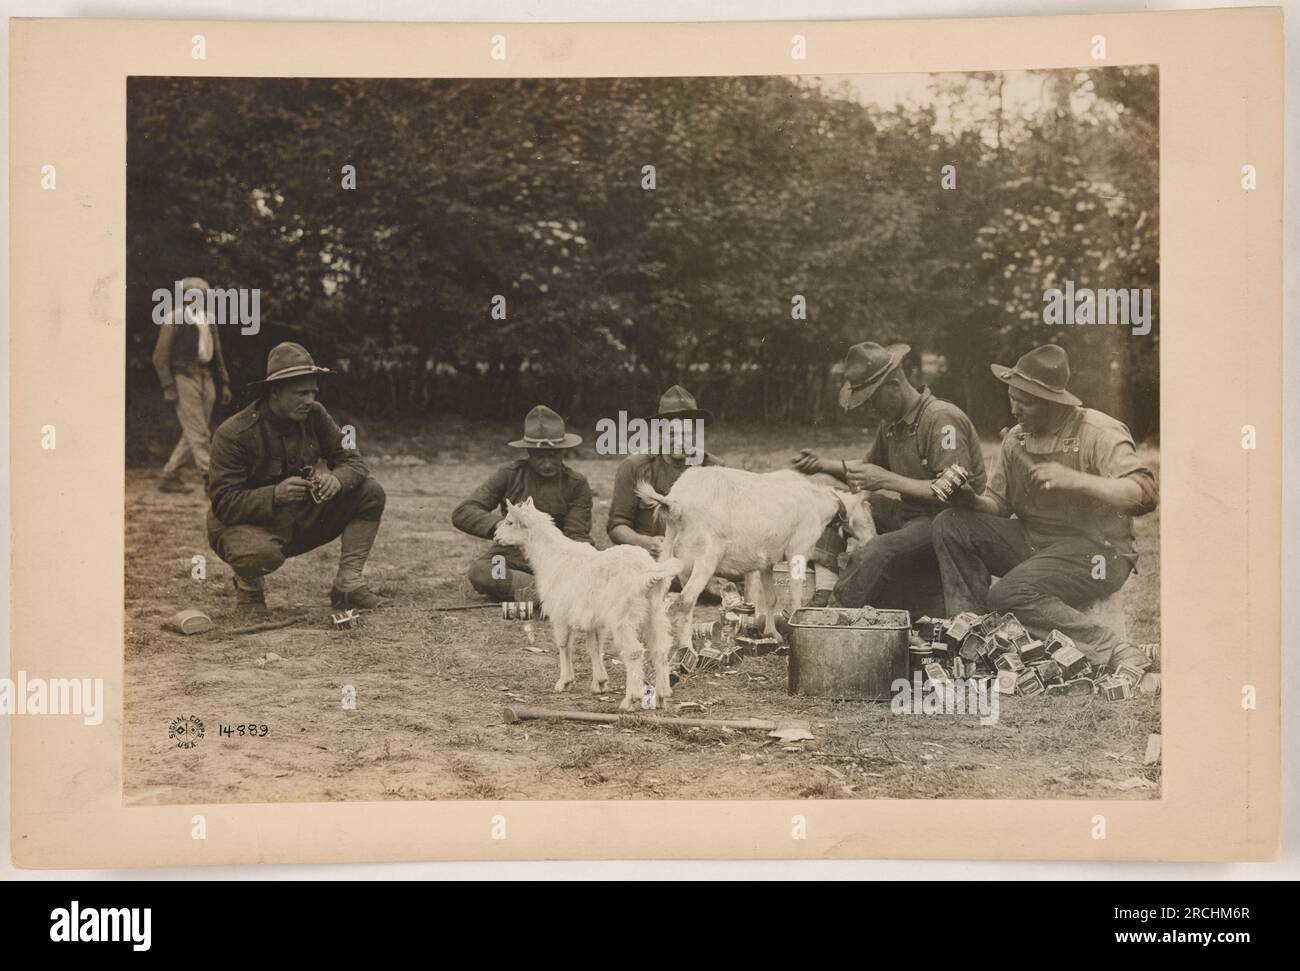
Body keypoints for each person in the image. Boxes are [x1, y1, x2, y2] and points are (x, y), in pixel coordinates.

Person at [931, 344, 1156, 673]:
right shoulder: (1016, 439)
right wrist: (969, 500)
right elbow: (998, 503)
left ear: (1053, 403)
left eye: (1026, 404)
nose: (1015, 411)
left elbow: (1145, 492)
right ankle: (974, 637)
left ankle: (1113, 650)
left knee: (1010, 593)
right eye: (1012, 399)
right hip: (1036, 544)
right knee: (951, 524)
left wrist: (1075, 479)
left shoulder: (1098, 432)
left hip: (1099, 554)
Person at [793, 341, 985, 613]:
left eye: (871, 399)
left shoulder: (941, 418)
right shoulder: (893, 424)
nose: (869, 409)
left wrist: (886, 480)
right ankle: (825, 589)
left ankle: (833, 616)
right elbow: (868, 468)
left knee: (877, 551)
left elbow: (952, 489)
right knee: (833, 508)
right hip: (910, 515)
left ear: (894, 384)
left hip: (949, 522)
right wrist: (823, 465)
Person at [206, 342, 388, 613]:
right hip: (246, 524)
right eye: (301, 393)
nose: (310, 400)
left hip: (296, 516)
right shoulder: (234, 433)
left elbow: (353, 460)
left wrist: (336, 479)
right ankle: (250, 592)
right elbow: (223, 502)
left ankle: (348, 585)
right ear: (274, 393)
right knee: (259, 554)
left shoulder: (315, 415)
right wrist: (274, 495)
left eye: (313, 392)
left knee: (370, 493)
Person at [452, 405, 593, 601]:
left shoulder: (576, 483)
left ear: (563, 452)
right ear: (528, 452)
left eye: (553, 455)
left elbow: (577, 535)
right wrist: (502, 525)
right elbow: (464, 511)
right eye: (539, 456)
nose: (547, 463)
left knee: (600, 572)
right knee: (482, 571)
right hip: (513, 557)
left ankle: (549, 592)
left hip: (559, 558)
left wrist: (582, 564)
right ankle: (541, 593)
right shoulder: (509, 475)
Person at [606, 385, 721, 556]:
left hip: (700, 561)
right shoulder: (634, 467)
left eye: (687, 433)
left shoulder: (713, 468)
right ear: (659, 432)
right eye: (672, 434)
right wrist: (643, 542)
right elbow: (617, 525)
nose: (680, 441)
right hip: (651, 562)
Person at [152, 277, 232, 492]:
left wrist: (224, 382)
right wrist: (168, 386)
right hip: (184, 376)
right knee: (198, 430)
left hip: (206, 376)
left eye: (202, 295)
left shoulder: (209, 319)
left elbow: (218, 355)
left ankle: (169, 475)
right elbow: (160, 356)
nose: (197, 299)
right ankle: (211, 478)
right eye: (192, 295)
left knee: (196, 430)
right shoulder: (174, 318)